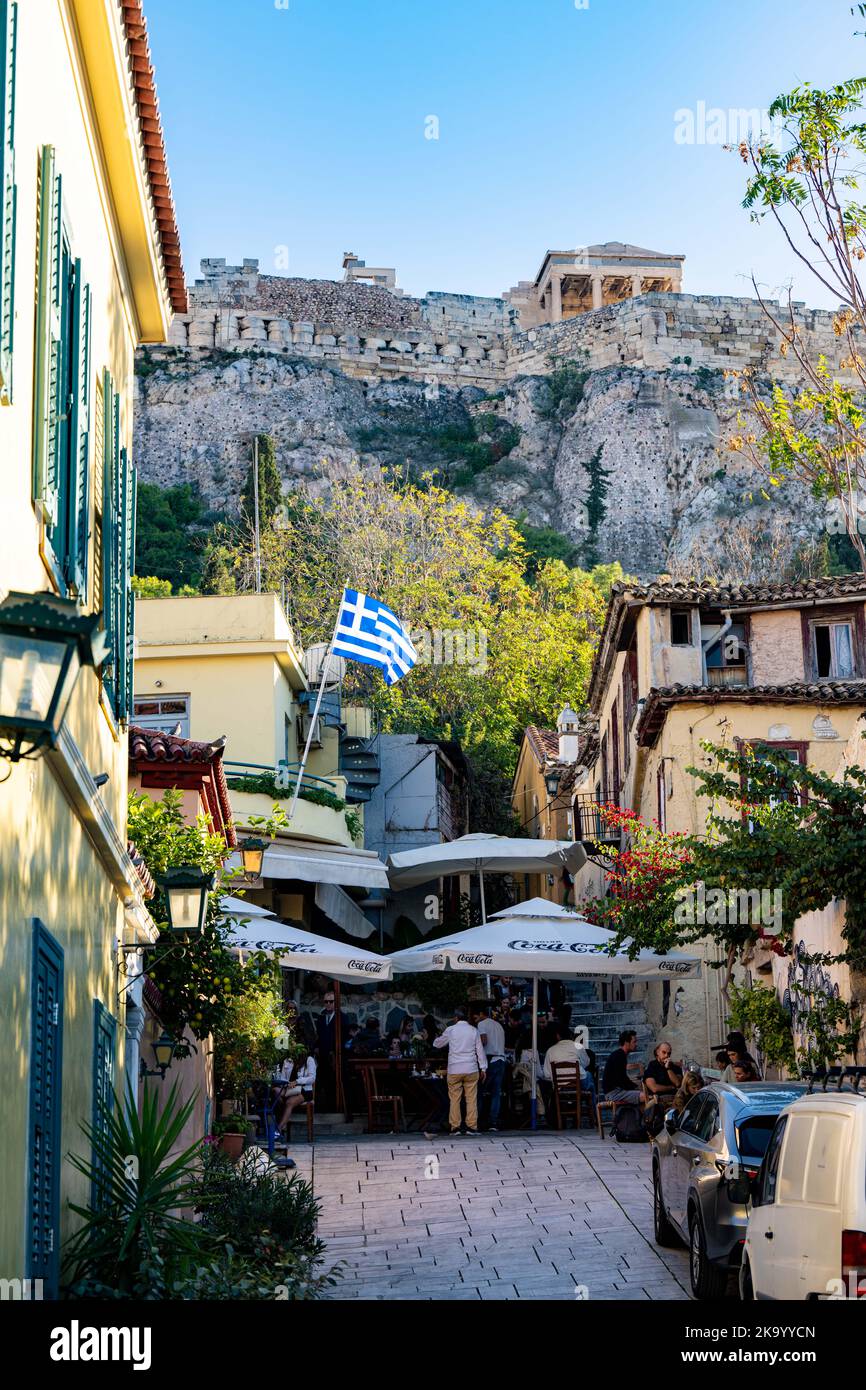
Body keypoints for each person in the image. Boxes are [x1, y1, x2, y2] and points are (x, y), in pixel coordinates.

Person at [433, 1008, 487, 1136]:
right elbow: (480, 1051)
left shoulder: (451, 1030)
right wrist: (483, 1068)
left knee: (455, 1099)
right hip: (471, 1069)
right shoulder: (474, 1030)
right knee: (471, 1099)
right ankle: (472, 1127)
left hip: (455, 1069)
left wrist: (434, 1039)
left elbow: (437, 1044)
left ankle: (455, 1127)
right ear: (467, 1018)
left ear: (455, 1018)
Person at [539, 1023, 595, 1125]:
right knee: (589, 1077)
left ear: (557, 1036)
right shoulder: (577, 1046)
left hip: (560, 1087)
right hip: (579, 1083)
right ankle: (594, 1116)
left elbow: (546, 1075)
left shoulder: (550, 1051)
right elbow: (586, 1062)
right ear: (570, 1035)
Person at [476, 1002, 506, 1132]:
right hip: (501, 1060)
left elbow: (483, 1041)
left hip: (490, 1061)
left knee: (480, 1092)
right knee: (496, 1093)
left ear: (482, 1014)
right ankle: (493, 1122)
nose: (475, 1020)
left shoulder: (482, 1024)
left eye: (476, 1017)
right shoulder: (499, 1025)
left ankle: (477, 1121)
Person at [316, 990, 349, 1109]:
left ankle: (338, 1106)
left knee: (336, 1080)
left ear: (336, 1002)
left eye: (331, 1001)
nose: (328, 1004)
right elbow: (319, 1035)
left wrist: (335, 1051)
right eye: (326, 1001)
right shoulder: (321, 1017)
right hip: (324, 1055)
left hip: (336, 1056)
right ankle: (327, 1106)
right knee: (324, 1080)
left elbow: (344, 1036)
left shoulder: (343, 1018)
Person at [275, 1051, 317, 1134]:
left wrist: (297, 1081)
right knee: (275, 1091)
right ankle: (283, 1121)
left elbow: (312, 1078)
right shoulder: (287, 1061)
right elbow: (283, 1078)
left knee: (289, 1102)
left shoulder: (309, 1060)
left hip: (304, 1091)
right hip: (289, 1089)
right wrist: (287, 1084)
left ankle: (278, 1129)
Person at [602, 1030, 643, 1106]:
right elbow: (621, 1079)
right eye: (634, 1042)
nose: (636, 1044)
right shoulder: (619, 1055)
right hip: (613, 1093)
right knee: (644, 1096)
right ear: (626, 1043)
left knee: (642, 1093)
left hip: (617, 1091)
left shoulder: (620, 1054)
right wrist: (636, 1087)